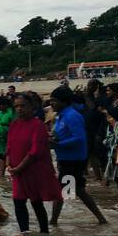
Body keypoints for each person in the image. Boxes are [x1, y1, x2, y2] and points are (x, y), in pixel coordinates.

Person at [48, 86, 107, 225]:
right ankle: (101, 219)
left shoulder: (72, 116)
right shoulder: (61, 115)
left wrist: (58, 143)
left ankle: (53, 222)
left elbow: (79, 138)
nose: (52, 104)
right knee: (78, 190)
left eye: (54, 101)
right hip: (66, 158)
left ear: (64, 101)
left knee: (62, 191)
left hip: (73, 160)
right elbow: (64, 134)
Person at [6, 91, 62, 234]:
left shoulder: (38, 125)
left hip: (33, 171)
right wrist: (8, 164)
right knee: (18, 201)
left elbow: (35, 151)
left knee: (36, 202)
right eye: (16, 106)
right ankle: (24, 234)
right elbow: (9, 147)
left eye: (22, 106)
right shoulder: (14, 124)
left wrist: (19, 167)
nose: (19, 109)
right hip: (17, 172)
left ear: (31, 106)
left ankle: (44, 233)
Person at [0, 95, 15, 180]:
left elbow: (14, 125)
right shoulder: (0, 113)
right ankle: (1, 174)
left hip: (8, 136)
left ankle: (12, 173)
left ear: (5, 104)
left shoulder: (11, 112)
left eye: (0, 105)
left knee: (9, 154)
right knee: (1, 155)